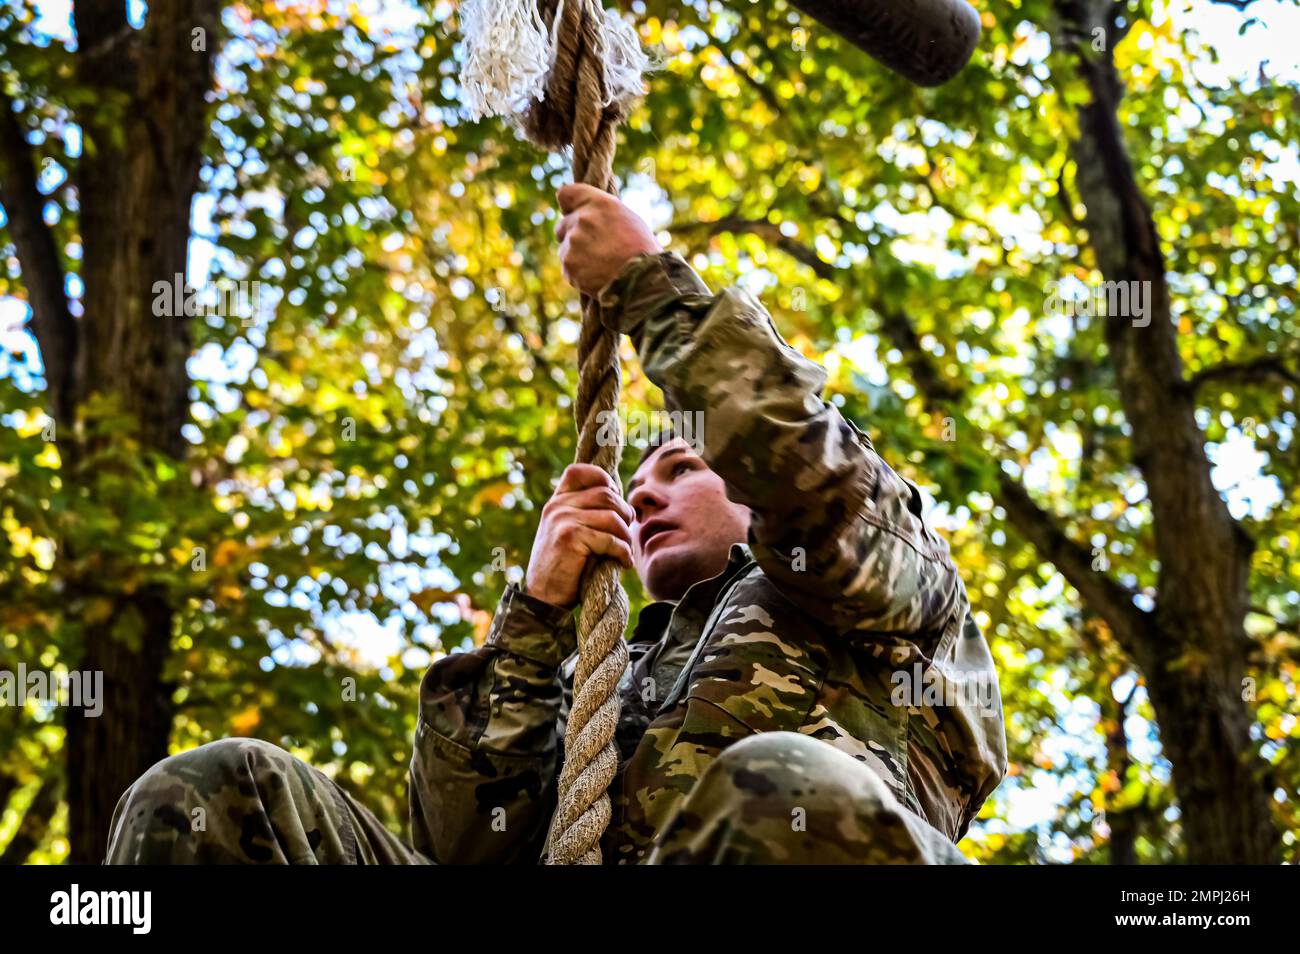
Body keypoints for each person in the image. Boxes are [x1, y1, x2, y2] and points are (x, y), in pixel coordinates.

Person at [104, 185, 1006, 865]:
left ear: (747, 490)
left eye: (682, 467)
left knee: (779, 782)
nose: (640, 495)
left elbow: (812, 478)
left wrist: (646, 287)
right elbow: (464, 850)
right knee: (212, 793)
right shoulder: (599, 681)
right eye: (636, 479)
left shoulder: (893, 589)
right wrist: (535, 619)